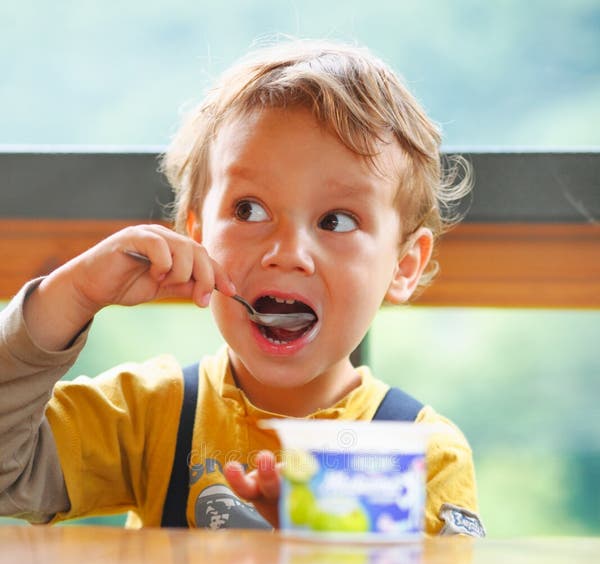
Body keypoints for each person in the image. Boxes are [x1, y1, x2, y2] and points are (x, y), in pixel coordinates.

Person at [0, 38, 484, 536]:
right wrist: (72, 295)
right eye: (248, 210)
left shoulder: (427, 459)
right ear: (197, 235)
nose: (287, 253)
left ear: (403, 266)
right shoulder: (151, 416)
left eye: (336, 220)